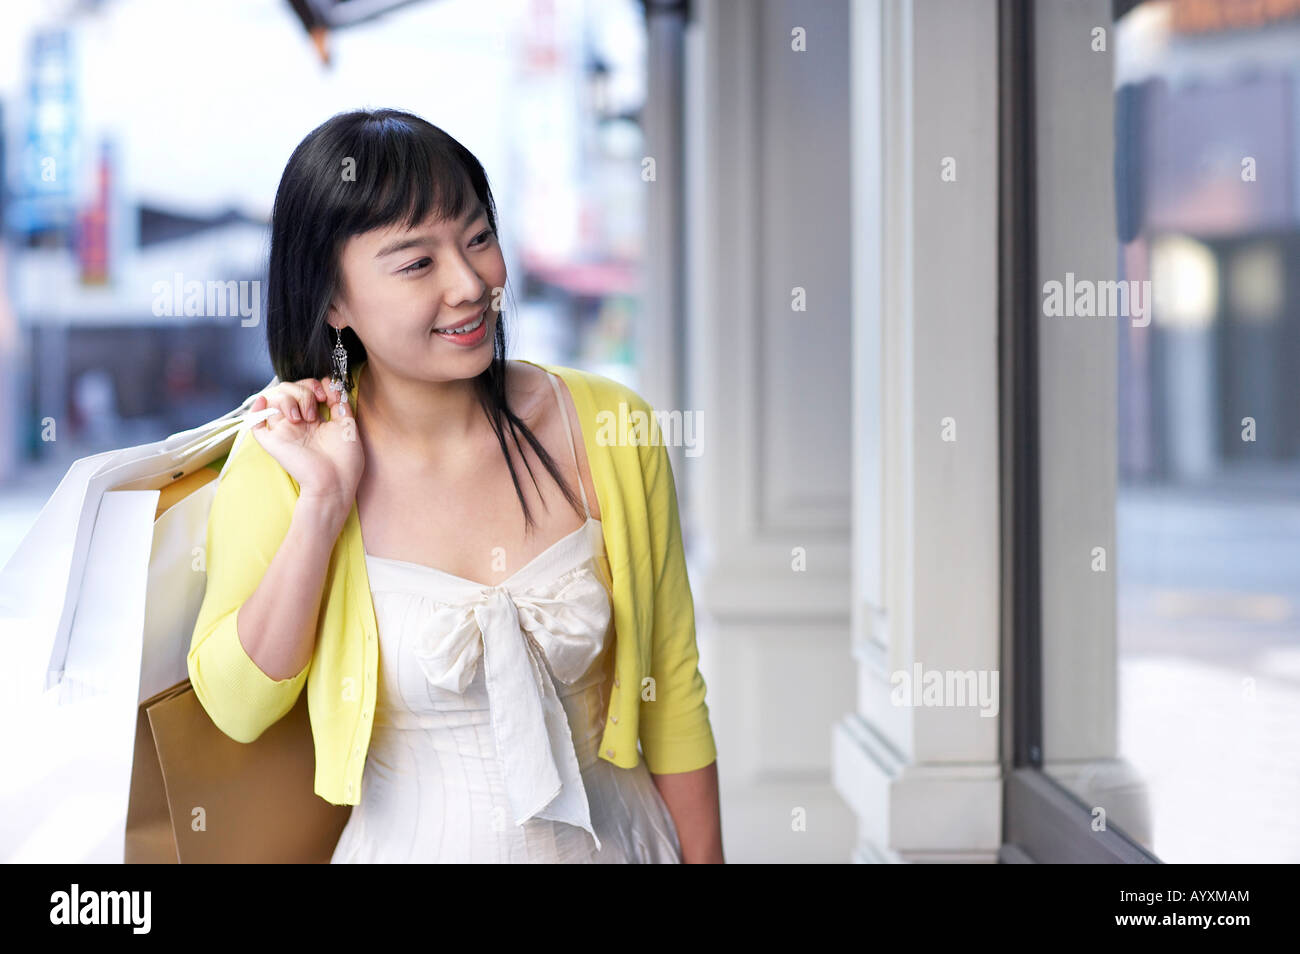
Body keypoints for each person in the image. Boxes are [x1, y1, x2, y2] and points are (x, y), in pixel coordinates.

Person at [189, 108, 723, 863]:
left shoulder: (609, 426)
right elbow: (240, 707)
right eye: (416, 264)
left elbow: (672, 693)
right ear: (333, 301)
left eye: (477, 238)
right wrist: (323, 504)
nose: (471, 284)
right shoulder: (282, 460)